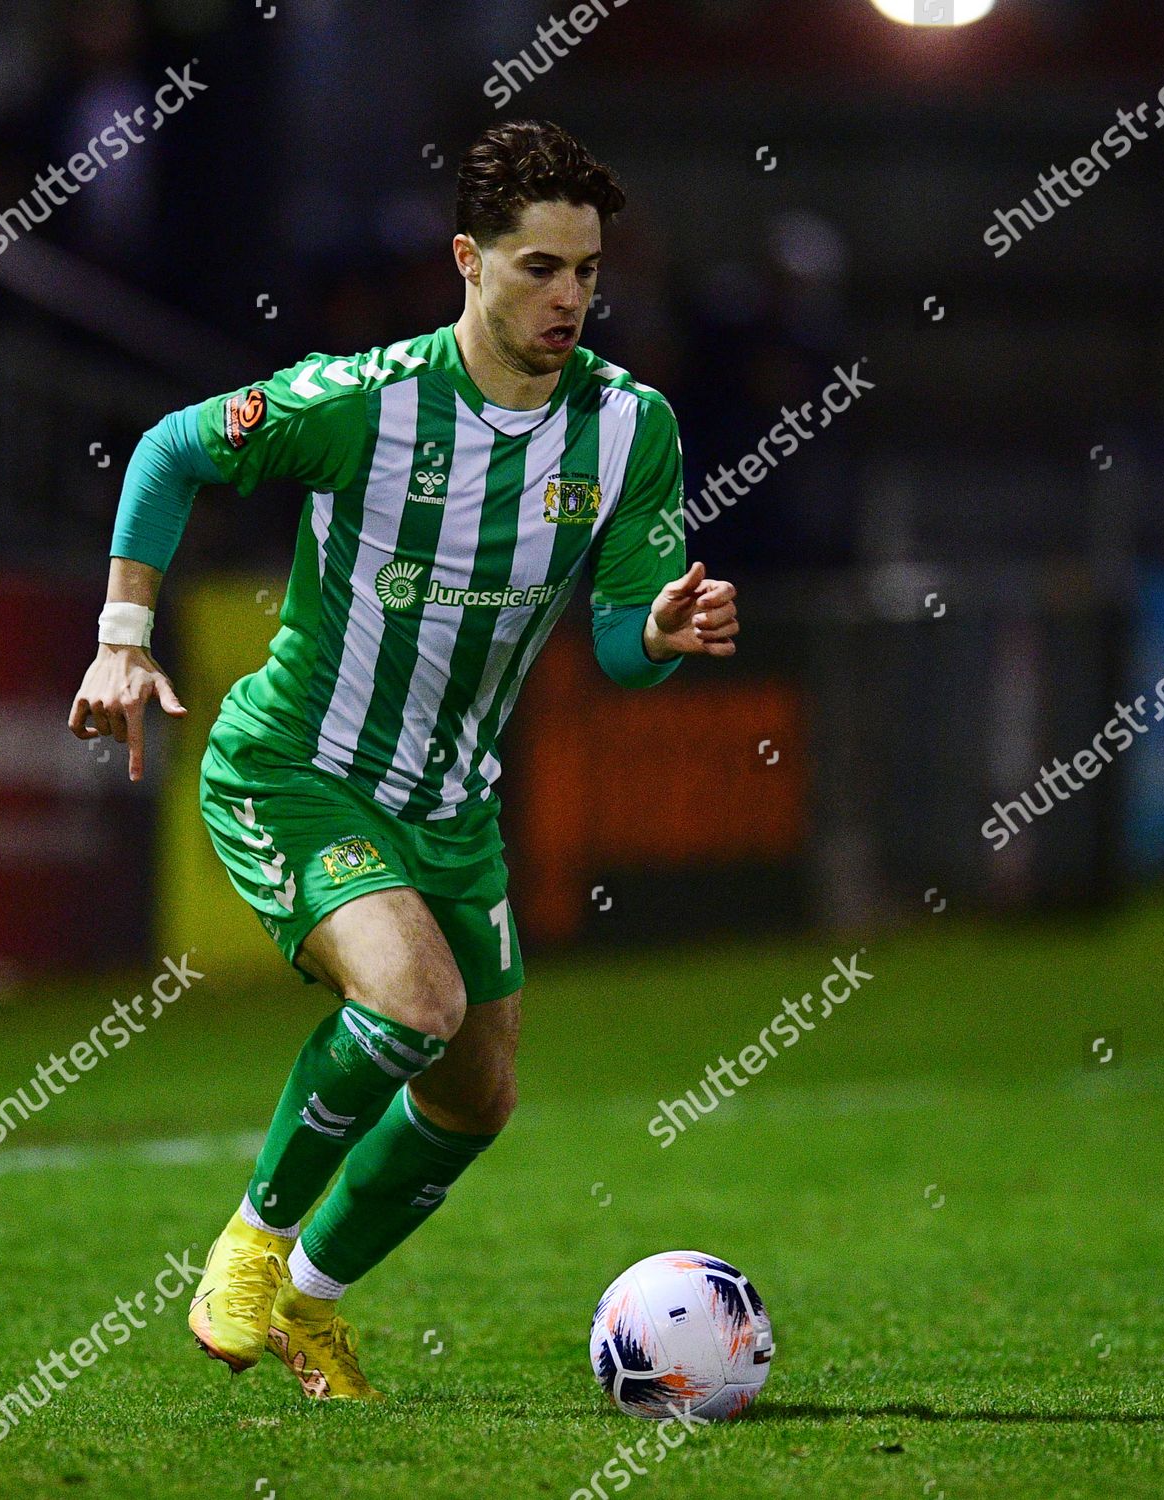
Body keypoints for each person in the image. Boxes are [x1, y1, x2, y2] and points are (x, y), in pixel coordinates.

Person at [68, 119, 739, 1400]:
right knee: (412, 1004)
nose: (571, 299)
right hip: (299, 771)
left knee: (478, 1092)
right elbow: (172, 448)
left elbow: (618, 643)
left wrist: (659, 632)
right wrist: (120, 636)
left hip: (452, 809)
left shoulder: (628, 430)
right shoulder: (361, 403)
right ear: (467, 262)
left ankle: (310, 1304)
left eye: (588, 272)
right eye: (540, 267)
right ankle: (253, 1246)